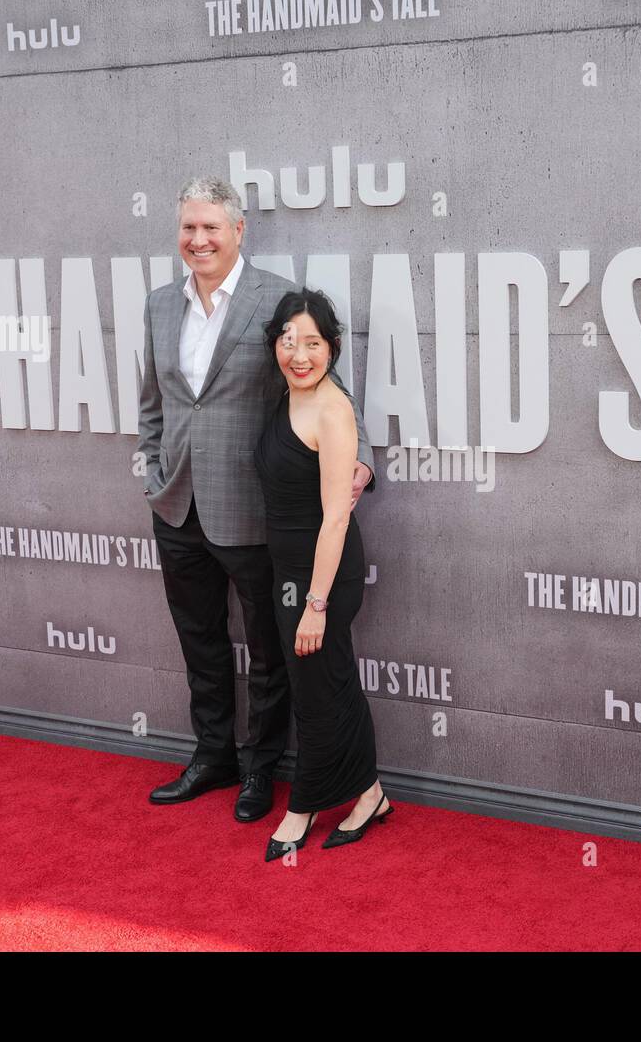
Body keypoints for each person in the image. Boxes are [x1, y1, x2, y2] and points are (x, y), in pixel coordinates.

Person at [137, 176, 375, 823]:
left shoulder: (275, 299)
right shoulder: (160, 305)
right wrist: (151, 472)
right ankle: (212, 755)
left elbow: (331, 386)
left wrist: (362, 460)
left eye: (212, 226)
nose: (199, 239)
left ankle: (259, 770)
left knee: (269, 652)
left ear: (239, 230)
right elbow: (153, 405)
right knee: (200, 641)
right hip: (176, 505)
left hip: (252, 511)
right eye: (189, 227)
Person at [253, 289, 393, 861]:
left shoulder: (334, 410)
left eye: (312, 342)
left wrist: (316, 603)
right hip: (288, 569)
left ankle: (303, 806)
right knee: (330, 681)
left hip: (322, 576)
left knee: (314, 690)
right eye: (288, 341)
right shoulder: (284, 396)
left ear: (332, 348)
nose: (299, 353)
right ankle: (371, 795)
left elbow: (336, 517)